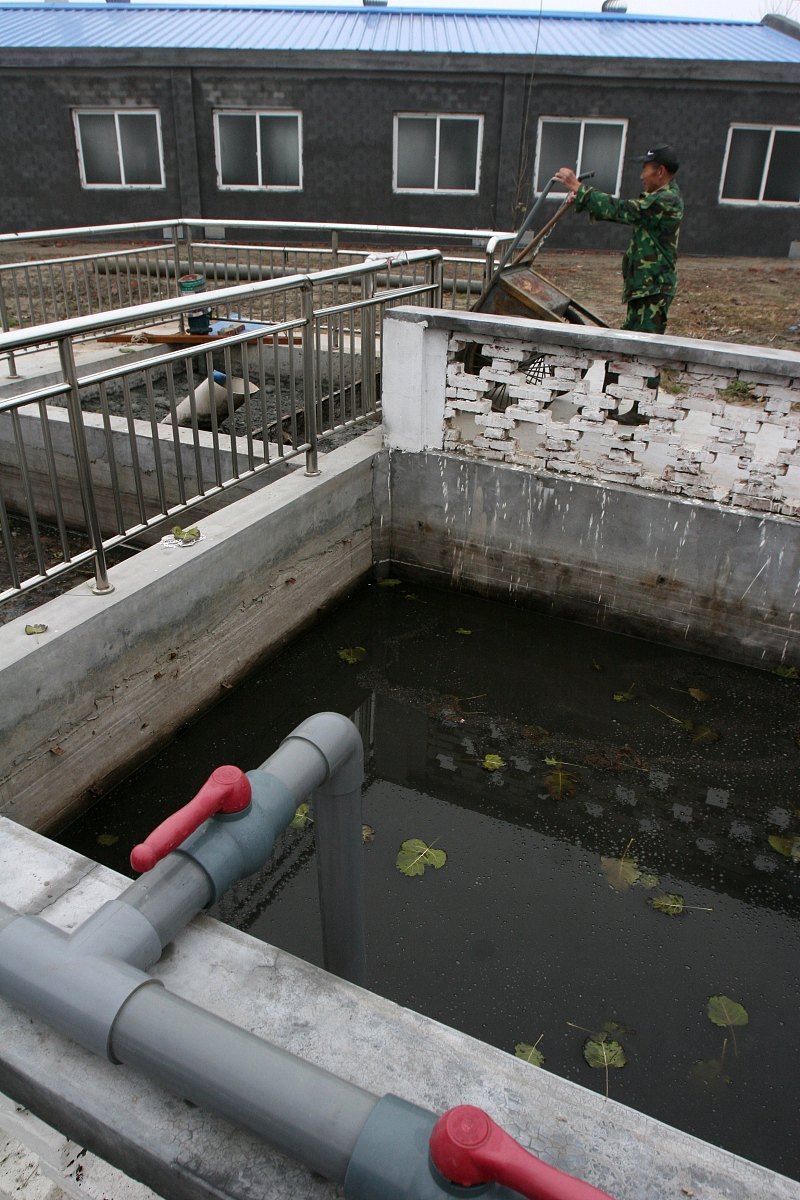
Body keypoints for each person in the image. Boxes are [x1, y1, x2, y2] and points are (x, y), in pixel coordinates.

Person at [554, 145, 684, 421]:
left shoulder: (666, 200)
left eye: (645, 169)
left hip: (654, 290)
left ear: (660, 171)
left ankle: (638, 410)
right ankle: (607, 404)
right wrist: (580, 197)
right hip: (643, 288)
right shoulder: (658, 198)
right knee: (622, 348)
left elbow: (624, 210)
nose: (641, 175)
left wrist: (581, 189)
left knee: (646, 351)